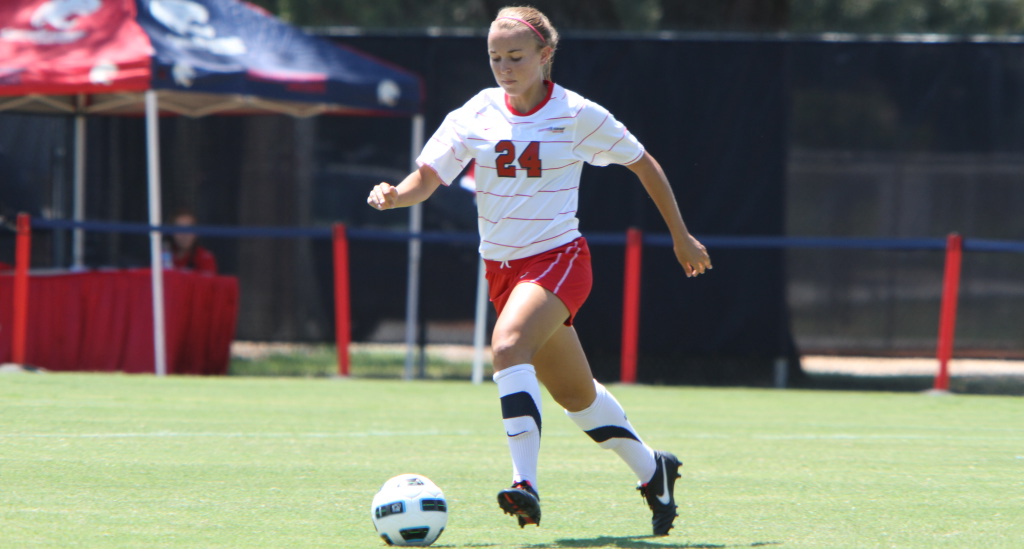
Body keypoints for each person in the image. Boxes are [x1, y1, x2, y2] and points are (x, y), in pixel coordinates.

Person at [367, 5, 711, 537]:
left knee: (507, 348)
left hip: (559, 259)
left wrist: (680, 236)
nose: (504, 67)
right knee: (576, 396)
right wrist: (395, 195)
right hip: (503, 271)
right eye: (495, 57)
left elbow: (643, 162)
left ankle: (523, 483)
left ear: (545, 56)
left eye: (516, 56)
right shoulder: (475, 113)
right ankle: (654, 471)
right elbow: (427, 177)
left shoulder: (576, 114)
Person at [166, 210, 218, 274]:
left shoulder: (205, 257)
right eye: (179, 229)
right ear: (171, 232)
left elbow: (207, 282)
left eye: (189, 229)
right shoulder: (164, 256)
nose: (184, 235)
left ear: (196, 232)